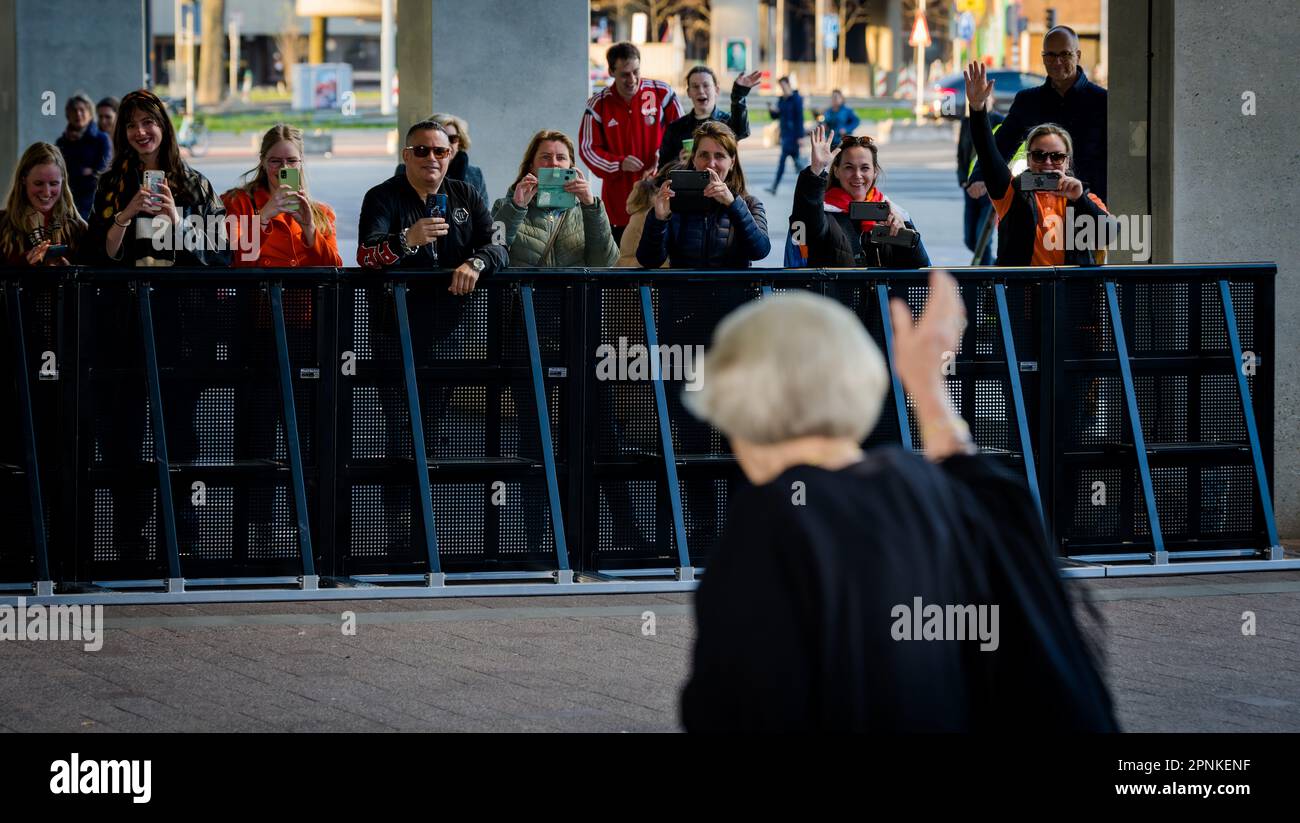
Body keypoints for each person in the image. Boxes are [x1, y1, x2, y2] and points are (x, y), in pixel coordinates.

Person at [679, 272, 1119, 732]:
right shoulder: (924, 487)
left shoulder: (767, 526)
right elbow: (1000, 516)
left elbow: (732, 705)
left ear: (738, 405)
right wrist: (929, 391)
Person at [86, 89, 230, 560]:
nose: (141, 132)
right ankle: (130, 533)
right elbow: (99, 257)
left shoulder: (194, 185)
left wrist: (176, 220)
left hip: (180, 327)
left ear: (164, 126)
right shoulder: (111, 185)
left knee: (180, 433)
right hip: (123, 325)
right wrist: (127, 215)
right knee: (122, 433)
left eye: (149, 122)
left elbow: (220, 257)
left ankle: (182, 531)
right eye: (131, 125)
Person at [357, 119, 508, 550]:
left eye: (440, 152)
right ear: (406, 155)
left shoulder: (466, 194)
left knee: (435, 427)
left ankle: (428, 522)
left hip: (448, 333)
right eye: (421, 151)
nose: (432, 159)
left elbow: (498, 245)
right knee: (402, 429)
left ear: (451, 155)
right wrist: (406, 239)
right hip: (395, 331)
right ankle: (401, 528)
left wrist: (475, 264)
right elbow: (366, 255)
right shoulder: (382, 196)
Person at [965, 61, 1110, 266]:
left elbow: (1109, 234)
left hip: (1069, 295)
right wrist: (978, 109)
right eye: (1039, 156)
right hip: (1019, 294)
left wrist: (1079, 199)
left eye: (1057, 157)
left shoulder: (1085, 196)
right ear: (1029, 158)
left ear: (1067, 160)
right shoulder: (1011, 192)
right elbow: (988, 155)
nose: (1048, 163)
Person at [966, 26, 1108, 201]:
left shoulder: (1102, 102)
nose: (1057, 62)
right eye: (1050, 55)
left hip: (1089, 206)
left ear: (1077, 56)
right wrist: (980, 175)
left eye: (1065, 54)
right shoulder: (1028, 101)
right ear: (1043, 58)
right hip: (1040, 207)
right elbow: (1002, 143)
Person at [579, 41, 684, 243]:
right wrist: (618, 163)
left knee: (660, 264)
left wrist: (662, 158)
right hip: (619, 205)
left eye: (636, 71)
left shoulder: (662, 93)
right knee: (621, 263)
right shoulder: (598, 104)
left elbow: (684, 138)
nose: (632, 79)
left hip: (661, 197)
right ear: (611, 71)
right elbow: (588, 148)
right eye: (624, 74)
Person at [789, 125, 930, 269]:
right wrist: (815, 172)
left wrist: (904, 235)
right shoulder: (822, 212)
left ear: (875, 172)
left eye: (865, 168)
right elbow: (802, 227)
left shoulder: (895, 214)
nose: (857, 175)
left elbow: (922, 269)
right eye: (849, 167)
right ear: (836, 171)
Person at [636, 121, 770, 269]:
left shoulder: (749, 203)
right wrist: (658, 219)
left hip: (732, 290)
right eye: (703, 155)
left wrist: (734, 205)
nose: (711, 164)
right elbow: (648, 260)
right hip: (684, 290)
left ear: (732, 162)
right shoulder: (674, 202)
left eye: (719, 156)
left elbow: (760, 251)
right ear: (694, 160)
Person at [222, 123, 344, 268]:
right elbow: (233, 265)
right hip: (261, 291)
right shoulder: (237, 203)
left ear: (301, 162)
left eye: (292, 161)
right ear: (263, 162)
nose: (284, 168)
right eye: (275, 161)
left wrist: (309, 229)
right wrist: (262, 219)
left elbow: (334, 270)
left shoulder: (322, 213)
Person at [491, 129, 618, 268]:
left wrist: (591, 206)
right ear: (531, 166)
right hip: (525, 289)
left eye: (561, 157)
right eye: (545, 157)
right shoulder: (504, 205)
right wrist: (516, 207)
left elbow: (604, 262)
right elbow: (493, 250)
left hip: (573, 289)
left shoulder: (587, 209)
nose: (554, 163)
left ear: (571, 166)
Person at [657, 66, 761, 169]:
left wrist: (738, 95)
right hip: (686, 185)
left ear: (716, 90)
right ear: (688, 92)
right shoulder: (675, 128)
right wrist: (679, 162)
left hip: (722, 184)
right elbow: (662, 169)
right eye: (695, 86)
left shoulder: (726, 123)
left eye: (706, 85)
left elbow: (741, 131)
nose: (701, 91)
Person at [0, 142, 86, 266]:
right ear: (23, 179)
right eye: (38, 183)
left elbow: (91, 278)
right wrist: (23, 264)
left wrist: (68, 271)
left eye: (54, 184)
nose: (46, 193)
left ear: (63, 181)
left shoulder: (78, 229)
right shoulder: (3, 225)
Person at [957, 106, 1004, 265]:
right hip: (970, 187)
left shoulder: (999, 121)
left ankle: (985, 278)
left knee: (982, 241)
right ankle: (992, 265)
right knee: (969, 239)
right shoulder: (967, 121)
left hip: (989, 191)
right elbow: (961, 153)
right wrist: (962, 178)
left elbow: (1004, 153)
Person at [55, 92, 112, 220]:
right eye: (74, 110)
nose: (78, 114)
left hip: (94, 198)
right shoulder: (62, 142)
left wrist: (89, 172)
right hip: (67, 197)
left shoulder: (101, 139)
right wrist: (83, 171)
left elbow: (103, 169)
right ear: (68, 115)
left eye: (82, 110)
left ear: (90, 113)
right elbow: (58, 171)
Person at [617, 161, 676, 268]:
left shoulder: (644, 208)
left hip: (629, 268)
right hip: (637, 274)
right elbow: (655, 260)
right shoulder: (653, 214)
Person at [429, 113, 489, 206]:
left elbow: (485, 216)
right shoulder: (407, 171)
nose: (447, 144)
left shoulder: (475, 175)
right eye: (441, 138)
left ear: (459, 143)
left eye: (452, 138)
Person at [766, 76, 805, 194]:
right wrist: (771, 109)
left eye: (784, 85)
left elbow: (800, 118)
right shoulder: (781, 100)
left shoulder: (796, 99)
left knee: (791, 163)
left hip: (794, 136)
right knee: (796, 164)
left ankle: (775, 187)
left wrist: (800, 136)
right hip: (785, 135)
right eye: (781, 86)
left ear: (788, 85)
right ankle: (775, 187)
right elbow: (775, 117)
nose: (782, 88)